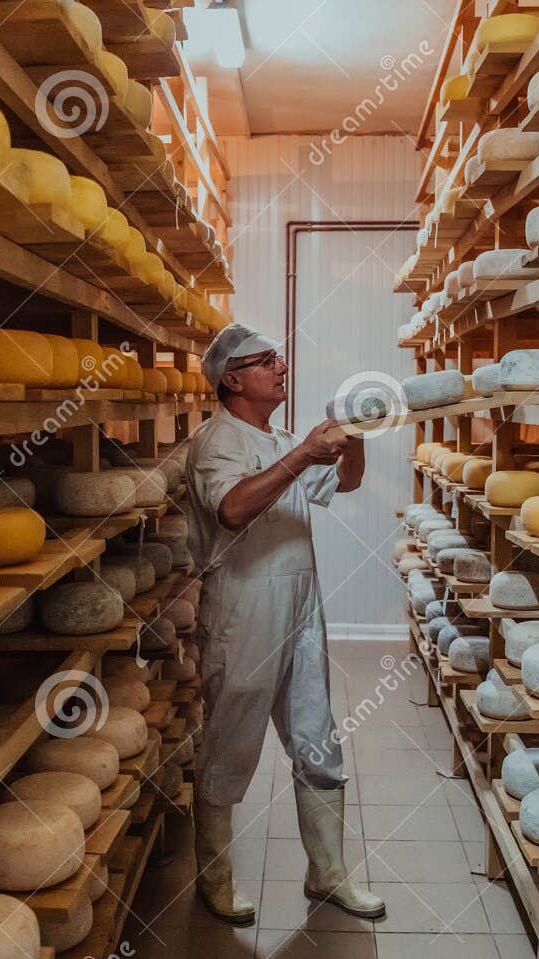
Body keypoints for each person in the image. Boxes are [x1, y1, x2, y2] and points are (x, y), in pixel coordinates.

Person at [182, 322, 385, 925]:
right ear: (232, 379)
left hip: (300, 602)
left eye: (278, 357)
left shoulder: (281, 439)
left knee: (318, 737)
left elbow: (345, 481)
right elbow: (232, 508)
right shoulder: (218, 441)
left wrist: (354, 435)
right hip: (243, 608)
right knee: (231, 741)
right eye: (264, 360)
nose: (280, 366)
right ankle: (214, 880)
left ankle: (328, 875)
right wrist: (301, 455)